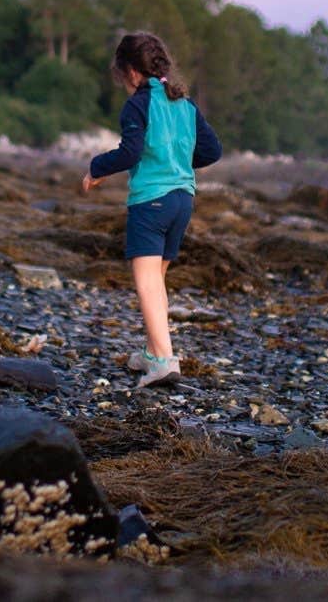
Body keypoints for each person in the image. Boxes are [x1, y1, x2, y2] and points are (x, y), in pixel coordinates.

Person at [82, 31, 222, 388]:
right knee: (157, 278)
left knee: (145, 282)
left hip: (151, 202)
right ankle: (151, 351)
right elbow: (211, 151)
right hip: (182, 201)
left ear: (130, 72)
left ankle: (163, 360)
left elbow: (130, 152)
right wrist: (177, 158)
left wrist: (96, 169)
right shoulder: (185, 104)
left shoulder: (138, 105)